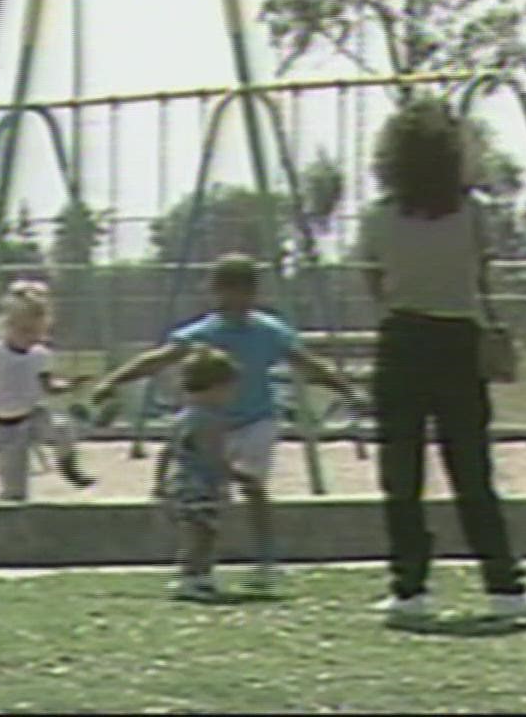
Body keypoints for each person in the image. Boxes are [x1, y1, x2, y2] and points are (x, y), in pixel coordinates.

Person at [357, 98, 526, 624]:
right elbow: (483, 278)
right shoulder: (473, 214)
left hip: (401, 339)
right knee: (472, 470)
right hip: (458, 341)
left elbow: (374, 284)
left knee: (401, 474)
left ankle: (410, 591)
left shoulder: (377, 216)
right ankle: (504, 588)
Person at [90, 253, 363, 593]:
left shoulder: (269, 331)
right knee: (207, 494)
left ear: (254, 293)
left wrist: (342, 386)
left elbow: (304, 362)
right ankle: (197, 566)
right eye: (227, 292)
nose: (235, 300)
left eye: (243, 292)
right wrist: (113, 380)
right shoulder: (203, 332)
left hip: (256, 421)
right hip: (211, 421)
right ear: (215, 292)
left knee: (254, 487)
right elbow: (159, 358)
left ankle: (265, 561)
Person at [0, 279, 95, 502]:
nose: (31, 337)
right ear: (8, 325)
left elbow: (48, 387)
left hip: (32, 416)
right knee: (15, 488)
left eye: (38, 332)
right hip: (4, 426)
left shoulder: (40, 355)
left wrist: (71, 385)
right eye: (25, 330)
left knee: (62, 427)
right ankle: (9, 506)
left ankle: (67, 464)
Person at [161, 345, 244, 602]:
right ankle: (192, 577)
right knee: (202, 535)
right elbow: (213, 456)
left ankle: (199, 576)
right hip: (201, 487)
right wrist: (237, 476)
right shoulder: (210, 420)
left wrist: (159, 481)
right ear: (216, 386)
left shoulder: (182, 417)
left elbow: (167, 453)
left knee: (196, 533)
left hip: (181, 484)